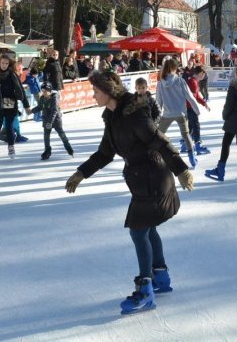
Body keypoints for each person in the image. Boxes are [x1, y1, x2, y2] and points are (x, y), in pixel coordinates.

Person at [64, 71, 193, 315]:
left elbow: (159, 140)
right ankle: (160, 277)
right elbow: (105, 153)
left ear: (109, 92)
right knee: (148, 228)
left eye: (97, 92)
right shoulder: (112, 117)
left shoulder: (134, 115)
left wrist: (182, 170)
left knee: (138, 230)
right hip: (141, 180)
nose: (94, 95)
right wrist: (81, 173)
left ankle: (145, 289)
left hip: (154, 178)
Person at [205, 64, 237, 182]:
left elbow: (229, 104)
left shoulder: (234, 86)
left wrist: (225, 115)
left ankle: (220, 170)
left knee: (226, 143)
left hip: (234, 117)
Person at [155, 58, 201, 168]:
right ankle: (192, 159)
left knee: (158, 136)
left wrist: (157, 116)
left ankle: (155, 155)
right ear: (175, 68)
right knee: (186, 135)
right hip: (181, 114)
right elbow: (189, 97)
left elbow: (158, 102)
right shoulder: (180, 81)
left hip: (167, 114)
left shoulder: (160, 83)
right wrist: (197, 110)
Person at [0, 54, 31, 159]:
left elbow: (20, 90)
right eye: (3, 63)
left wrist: (26, 105)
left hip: (11, 104)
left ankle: (11, 147)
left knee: (10, 127)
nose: (4, 65)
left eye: (6, 63)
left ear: (9, 64)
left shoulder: (12, 75)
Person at [37, 82, 74, 160]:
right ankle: (47, 152)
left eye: (45, 91)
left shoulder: (54, 98)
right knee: (46, 137)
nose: (43, 93)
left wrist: (50, 122)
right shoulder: (42, 98)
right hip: (46, 120)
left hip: (56, 120)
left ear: (49, 90)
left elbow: (54, 111)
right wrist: (31, 111)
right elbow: (39, 107)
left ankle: (69, 149)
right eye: (42, 91)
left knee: (62, 135)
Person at [184, 66, 211, 153]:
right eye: (204, 74)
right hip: (190, 107)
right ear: (201, 74)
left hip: (188, 107)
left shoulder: (193, 81)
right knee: (195, 126)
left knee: (190, 127)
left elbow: (197, 96)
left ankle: (185, 145)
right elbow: (192, 97)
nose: (204, 77)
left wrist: (204, 103)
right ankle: (197, 145)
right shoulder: (192, 82)